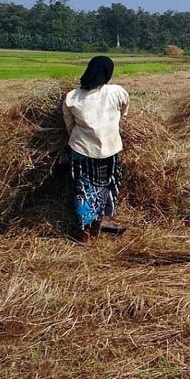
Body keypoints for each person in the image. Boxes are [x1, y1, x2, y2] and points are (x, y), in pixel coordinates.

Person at [62, 56, 130, 242]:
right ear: (107, 74)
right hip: (111, 148)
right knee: (109, 184)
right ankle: (104, 219)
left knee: (83, 189)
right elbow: (124, 111)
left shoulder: (71, 97)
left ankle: (86, 232)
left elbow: (69, 126)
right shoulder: (116, 92)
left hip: (81, 150)